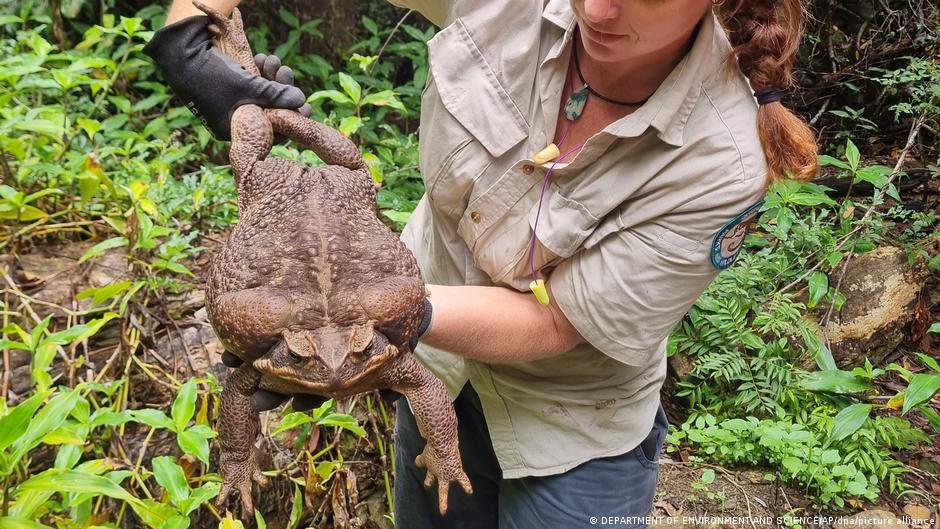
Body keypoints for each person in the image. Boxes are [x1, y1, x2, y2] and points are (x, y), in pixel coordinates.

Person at [144, 0, 818, 527]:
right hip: (436, 372)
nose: (600, 10)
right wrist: (191, 41)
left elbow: (559, 324)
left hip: (571, 425)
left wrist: (388, 314)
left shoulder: (722, 161)